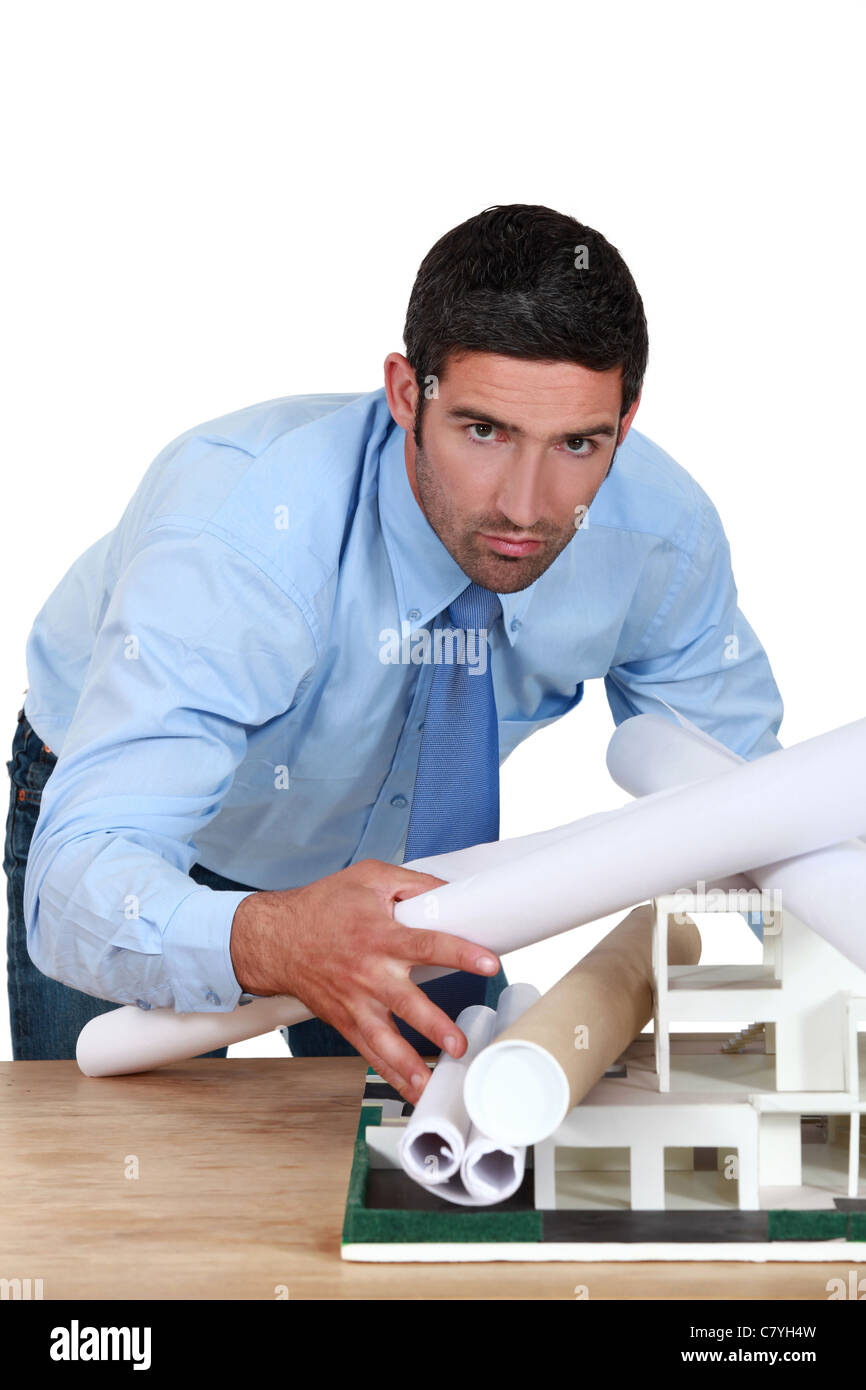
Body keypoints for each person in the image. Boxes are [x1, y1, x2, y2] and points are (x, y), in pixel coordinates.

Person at [5, 203, 783, 1099]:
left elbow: (757, 805)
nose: (527, 509)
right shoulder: (240, 539)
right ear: (409, 394)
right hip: (146, 828)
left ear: (626, 418)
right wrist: (273, 939)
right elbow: (79, 882)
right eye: (484, 431)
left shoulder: (660, 538)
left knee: (449, 1142)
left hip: (401, 848)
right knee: (105, 1178)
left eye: (577, 442)